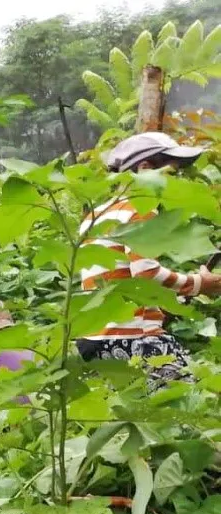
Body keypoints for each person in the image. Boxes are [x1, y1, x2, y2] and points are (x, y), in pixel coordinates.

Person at [78, 131, 221, 376]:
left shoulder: (95, 216)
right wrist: (199, 284)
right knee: (187, 403)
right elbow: (146, 273)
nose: (176, 181)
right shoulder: (139, 209)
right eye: (172, 173)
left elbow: (122, 279)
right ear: (145, 169)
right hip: (132, 340)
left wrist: (167, 300)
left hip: (93, 341)